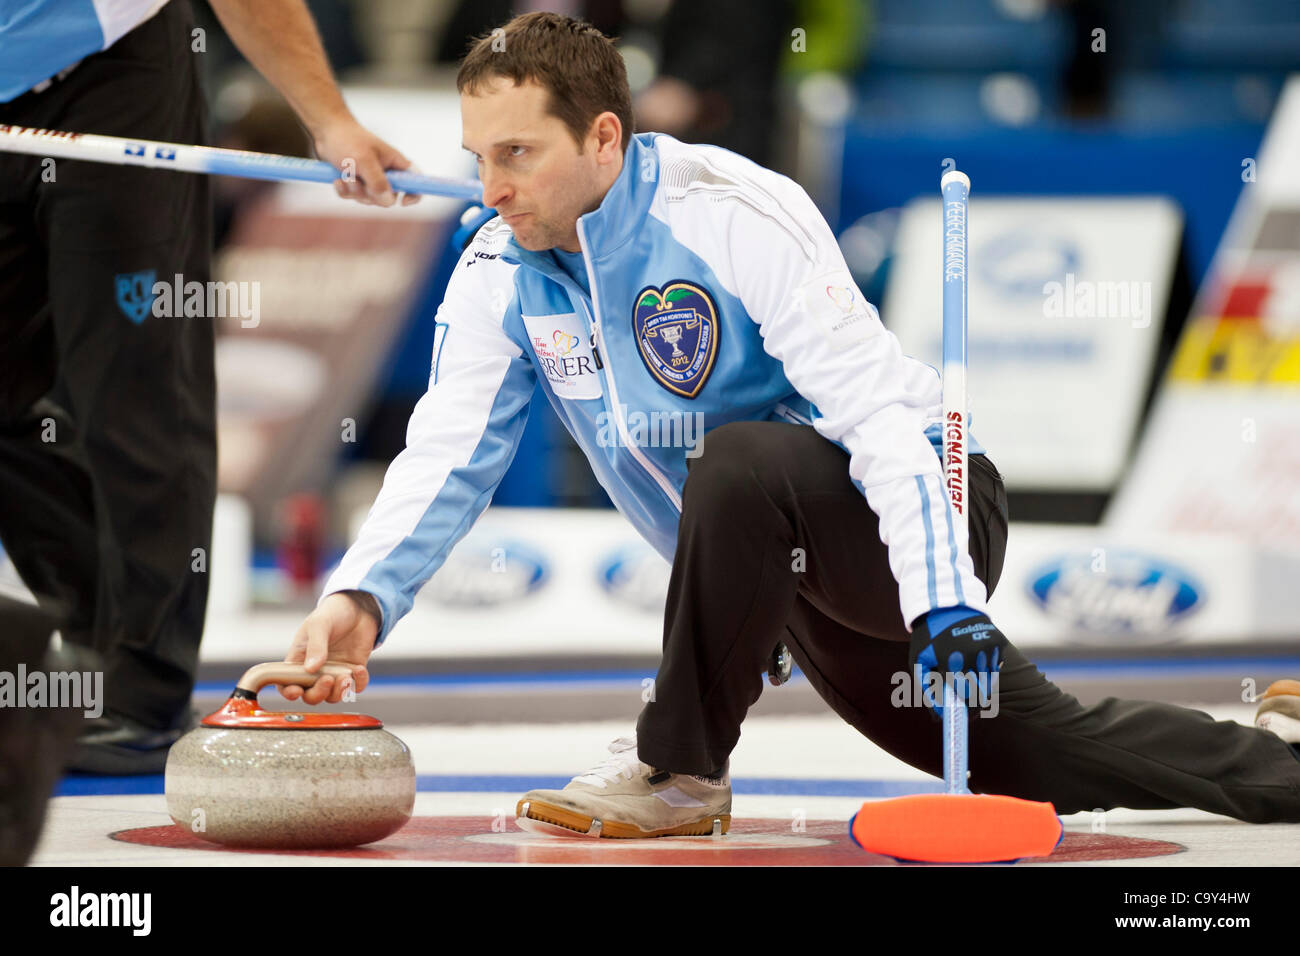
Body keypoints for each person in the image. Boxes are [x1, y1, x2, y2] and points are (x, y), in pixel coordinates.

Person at [279, 11, 1300, 837]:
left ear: (603, 139)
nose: (489, 185)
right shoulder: (498, 265)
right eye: (475, 155)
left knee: (740, 456)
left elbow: (875, 415)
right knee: (1046, 754)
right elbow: (447, 453)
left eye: (516, 153)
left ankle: (676, 768)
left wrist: (942, 599)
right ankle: (1282, 756)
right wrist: (359, 598)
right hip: (785, 563)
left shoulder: (730, 210)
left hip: (924, 510)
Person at [0, 0, 414, 774]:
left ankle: (143, 695)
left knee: (132, 389)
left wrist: (326, 118)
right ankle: (101, 644)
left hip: (113, 70)